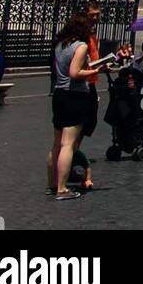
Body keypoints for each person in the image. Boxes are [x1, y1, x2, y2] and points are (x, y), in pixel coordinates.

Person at [47, 14, 100, 200]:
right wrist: (96, 70)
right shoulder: (81, 46)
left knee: (56, 143)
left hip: (59, 94)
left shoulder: (60, 45)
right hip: (75, 96)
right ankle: (62, 189)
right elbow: (75, 73)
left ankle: (52, 184)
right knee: (68, 144)